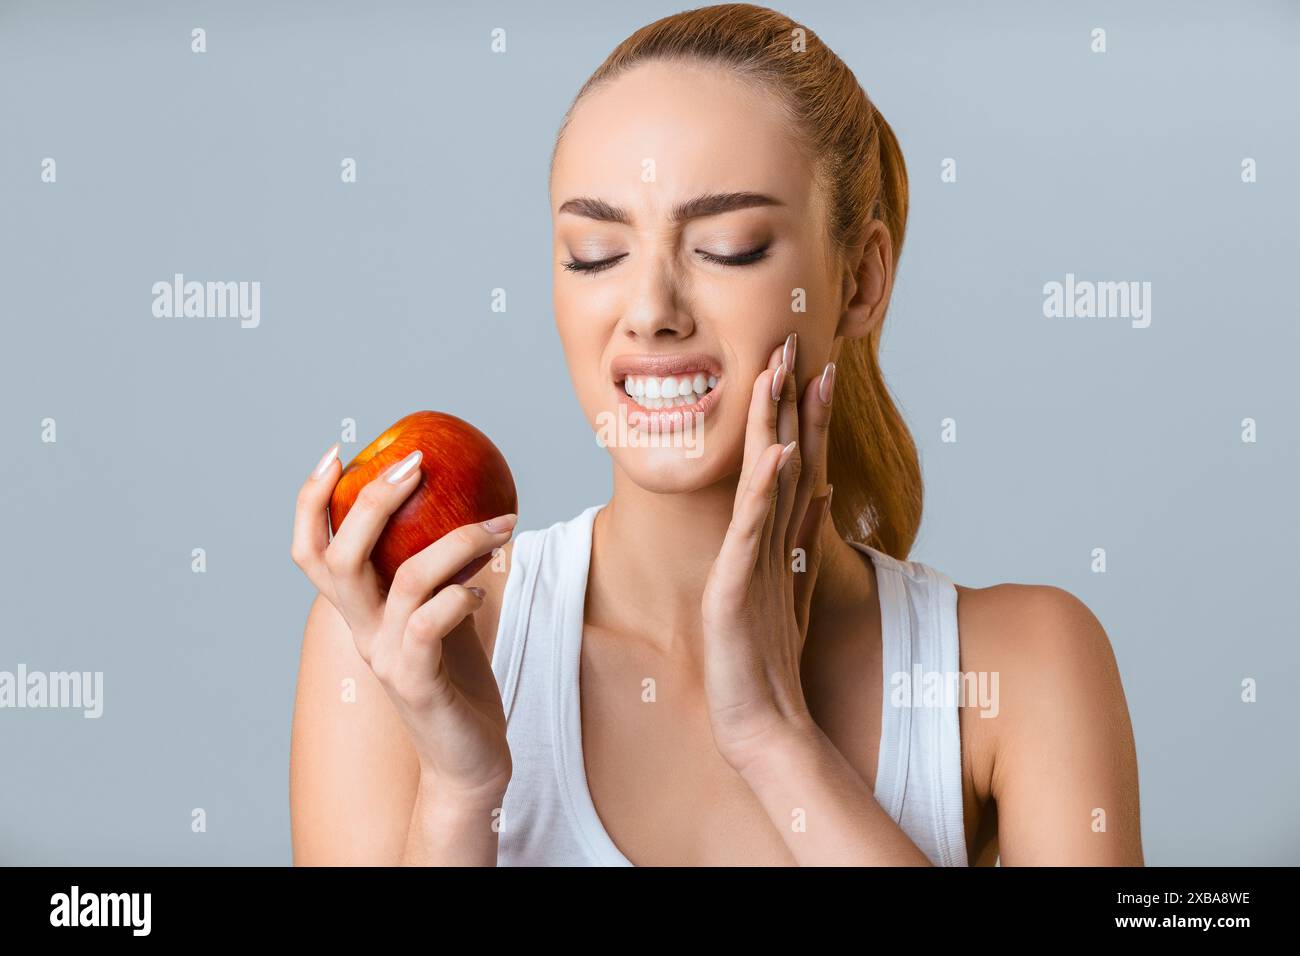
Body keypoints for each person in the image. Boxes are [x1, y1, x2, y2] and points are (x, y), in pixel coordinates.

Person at [289, 3, 1143, 866]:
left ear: (861, 280)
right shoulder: (407, 646)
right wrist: (459, 794)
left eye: (729, 248)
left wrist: (776, 736)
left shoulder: (1025, 667)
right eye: (594, 253)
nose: (652, 310)